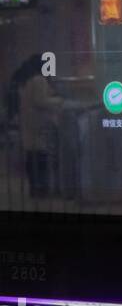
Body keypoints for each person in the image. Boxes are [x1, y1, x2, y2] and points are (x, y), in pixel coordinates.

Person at [7, 54, 63, 198]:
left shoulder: (29, 80)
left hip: (29, 123)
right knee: (40, 159)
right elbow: (40, 101)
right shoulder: (39, 80)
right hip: (37, 125)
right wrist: (58, 100)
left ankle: (35, 189)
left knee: (32, 157)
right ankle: (41, 190)